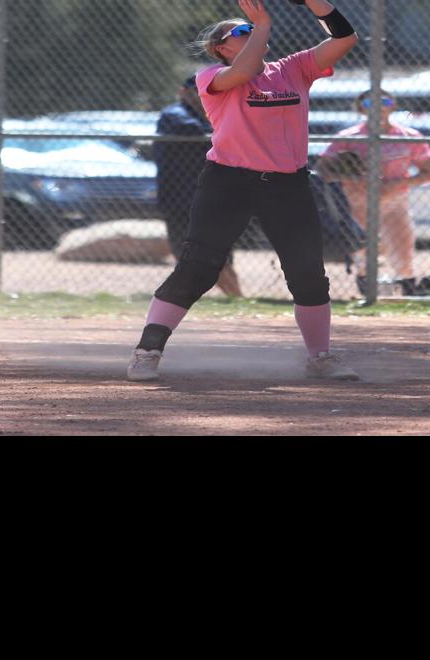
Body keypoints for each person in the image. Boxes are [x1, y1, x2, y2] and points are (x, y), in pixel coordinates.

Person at [126, 0, 360, 383]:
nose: (250, 30)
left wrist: (314, 2)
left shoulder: (293, 68)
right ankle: (147, 351)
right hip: (229, 182)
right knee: (198, 268)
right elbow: (245, 70)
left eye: (251, 27)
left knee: (307, 273)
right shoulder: (211, 77)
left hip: (287, 184)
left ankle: (320, 357)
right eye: (241, 31)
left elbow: (344, 38)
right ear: (221, 48)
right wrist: (263, 23)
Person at [319, 90, 430, 303]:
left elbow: (427, 173)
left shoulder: (408, 136)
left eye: (385, 101)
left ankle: (408, 289)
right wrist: (354, 178)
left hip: (394, 200)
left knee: (402, 247)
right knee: (362, 248)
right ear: (361, 109)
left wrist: (398, 183)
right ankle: (367, 293)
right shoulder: (348, 137)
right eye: (369, 103)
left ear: (393, 106)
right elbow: (323, 169)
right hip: (358, 200)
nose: (378, 107)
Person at [154, 76, 243, 298]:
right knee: (186, 251)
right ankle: (231, 296)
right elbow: (192, 130)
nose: (204, 96)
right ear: (183, 92)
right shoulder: (174, 115)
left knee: (214, 251)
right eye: (199, 91)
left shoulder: (217, 114)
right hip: (179, 199)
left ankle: (236, 297)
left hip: (212, 196)